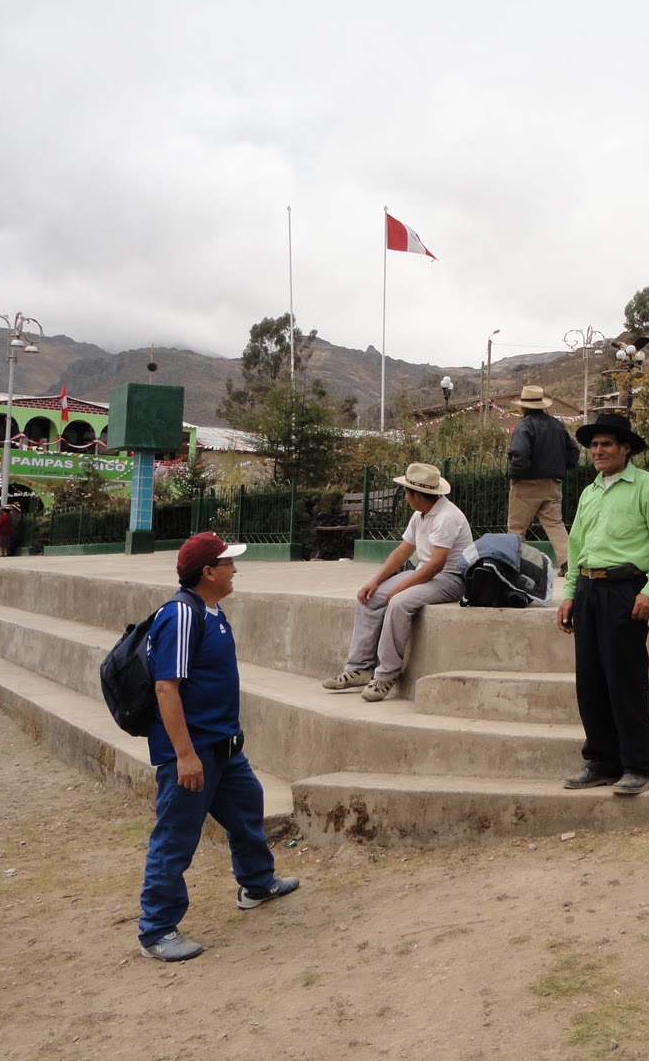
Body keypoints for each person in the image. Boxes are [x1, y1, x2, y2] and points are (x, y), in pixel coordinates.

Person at [138, 531, 299, 962]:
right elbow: (166, 689)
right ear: (208, 572)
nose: (234, 569)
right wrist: (185, 756)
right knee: (175, 839)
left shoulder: (213, 610)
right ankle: (158, 929)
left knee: (248, 807)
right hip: (194, 751)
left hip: (225, 746)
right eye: (227, 563)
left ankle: (256, 883)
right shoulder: (182, 615)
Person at [555, 412, 649, 797]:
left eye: (606, 444)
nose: (598, 451)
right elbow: (577, 548)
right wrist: (571, 593)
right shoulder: (589, 493)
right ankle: (601, 761)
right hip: (590, 591)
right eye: (593, 445)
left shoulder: (648, 487)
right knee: (590, 681)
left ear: (626, 448)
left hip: (626, 591)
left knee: (625, 681)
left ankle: (639, 765)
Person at [321, 462, 474, 703]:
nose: (404, 496)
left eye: (406, 492)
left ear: (416, 495)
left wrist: (399, 588)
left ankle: (385, 675)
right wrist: (375, 582)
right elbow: (403, 551)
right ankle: (360, 668)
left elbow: (437, 565)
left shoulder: (446, 517)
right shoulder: (420, 514)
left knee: (398, 603)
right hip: (426, 572)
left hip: (451, 579)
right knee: (368, 598)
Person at [506, 385, 580, 577]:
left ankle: (516, 566)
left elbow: (520, 455)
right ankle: (568, 562)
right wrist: (562, 467)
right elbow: (573, 452)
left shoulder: (524, 426)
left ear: (523, 406)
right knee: (555, 524)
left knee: (516, 529)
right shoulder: (557, 424)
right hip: (553, 483)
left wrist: (514, 475)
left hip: (526, 484)